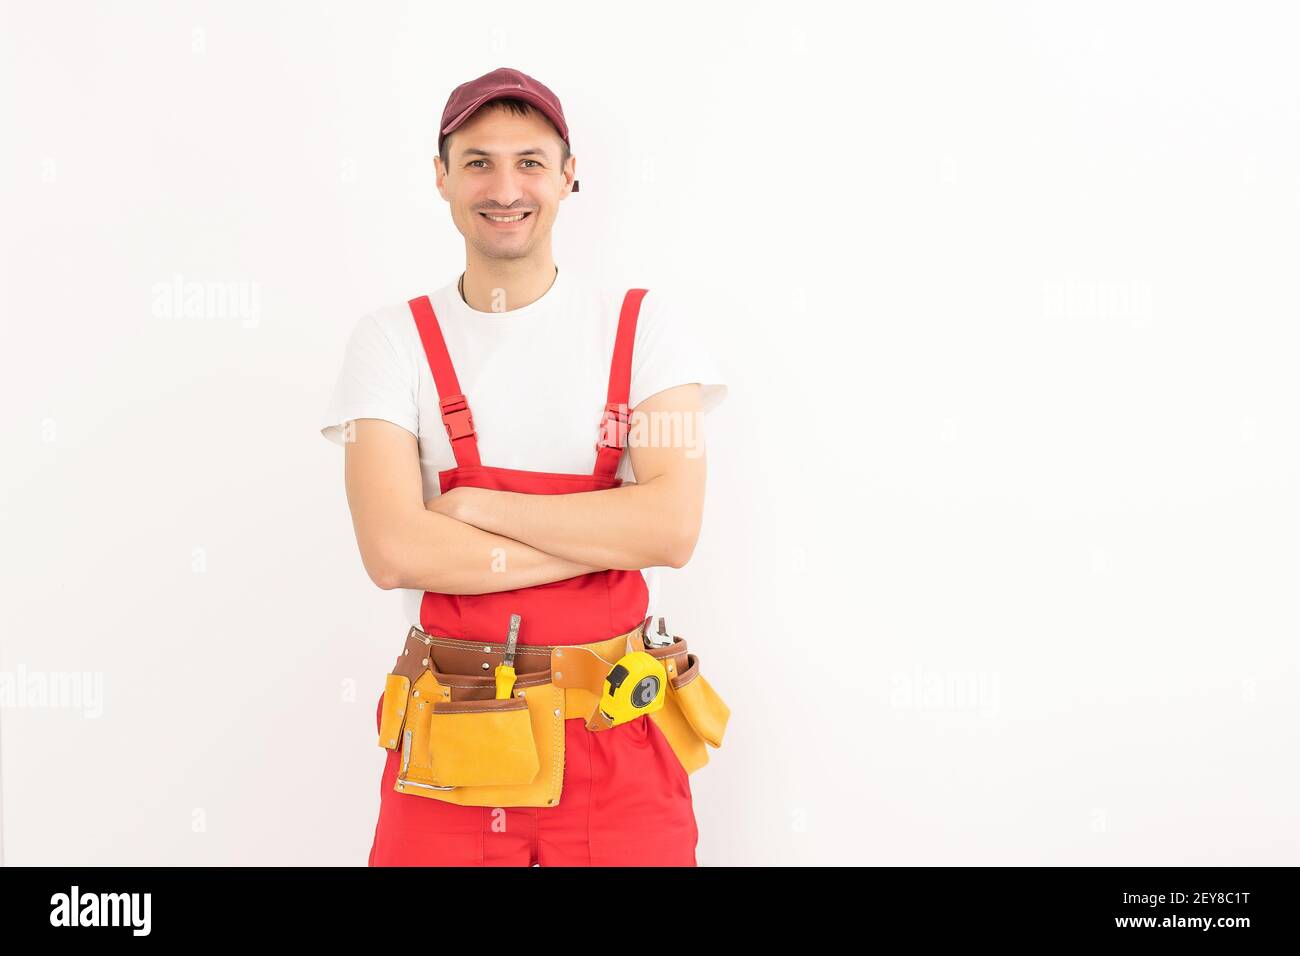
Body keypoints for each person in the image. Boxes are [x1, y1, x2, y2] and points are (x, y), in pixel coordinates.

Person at [320, 68, 727, 866]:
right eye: (477, 161)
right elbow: (394, 552)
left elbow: (672, 531)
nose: (505, 187)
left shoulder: (646, 327)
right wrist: (608, 532)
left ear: (570, 175)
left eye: (531, 162)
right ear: (440, 176)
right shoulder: (389, 342)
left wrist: (474, 506)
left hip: (619, 742)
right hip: (451, 743)